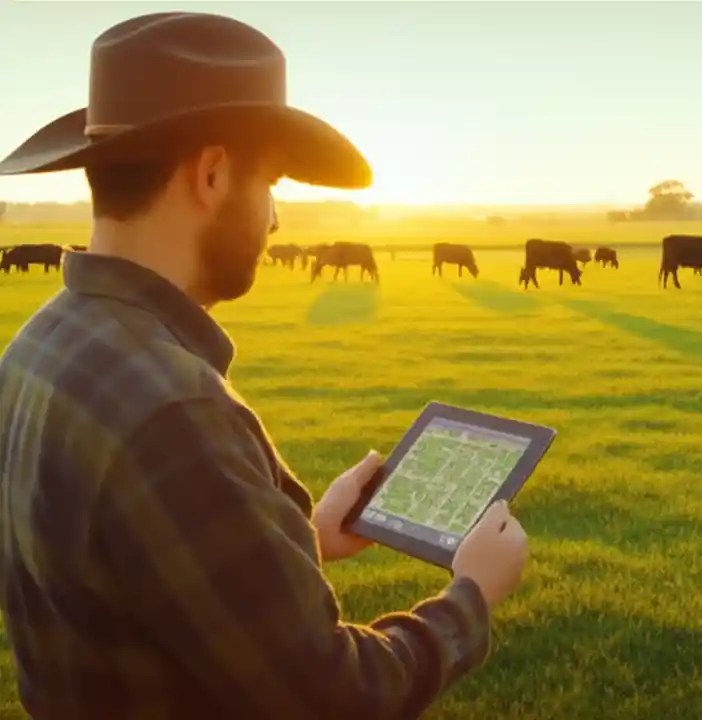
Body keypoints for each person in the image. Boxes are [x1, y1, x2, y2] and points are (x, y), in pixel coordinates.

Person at [0, 11, 529, 719]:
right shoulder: (173, 410)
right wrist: (472, 595)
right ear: (214, 175)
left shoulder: (41, 345)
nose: (275, 219)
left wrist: (302, 537)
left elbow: (121, 573)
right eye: (271, 183)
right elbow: (330, 694)